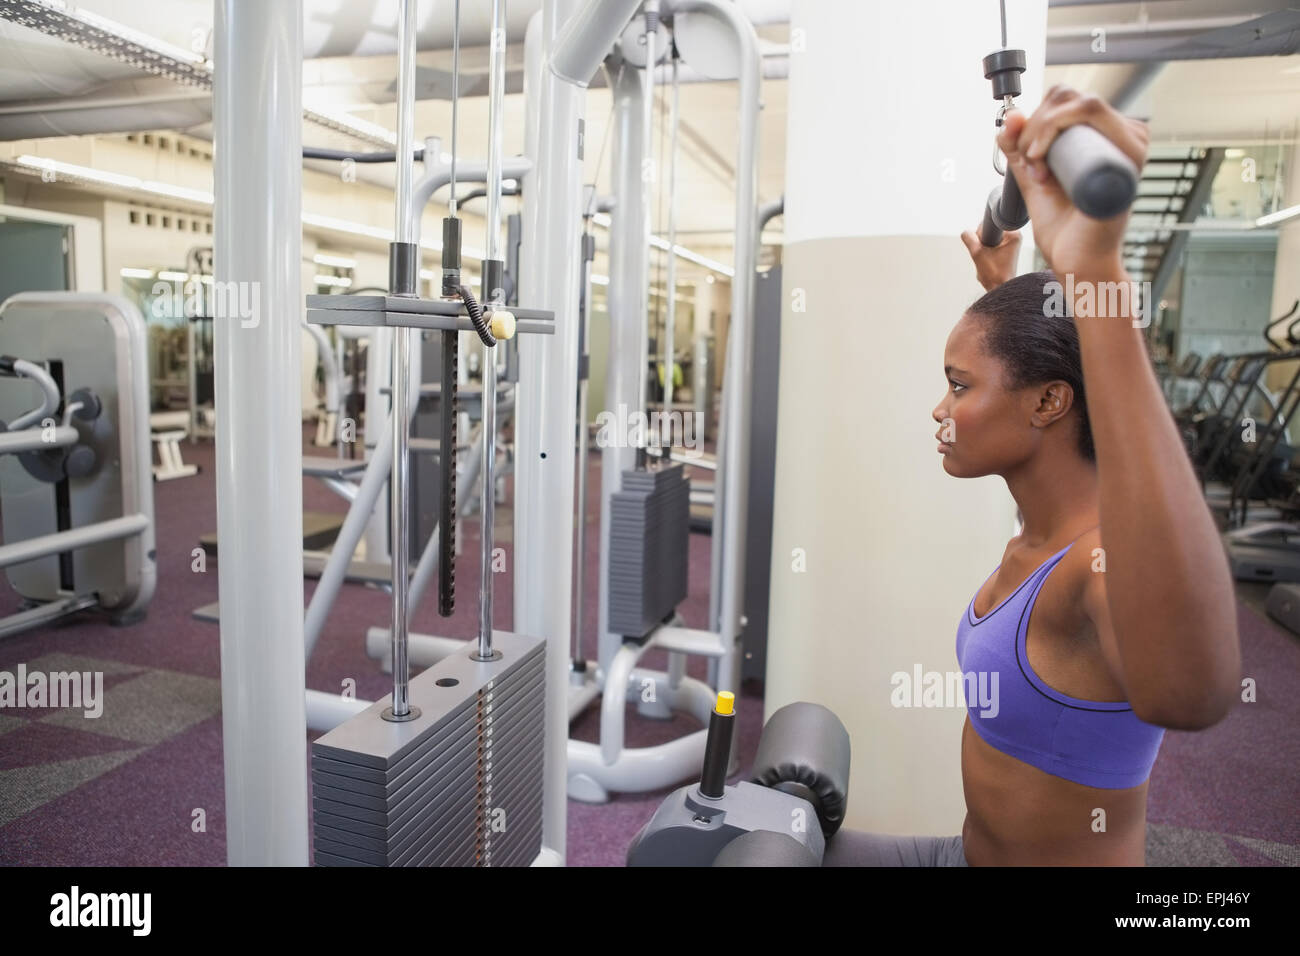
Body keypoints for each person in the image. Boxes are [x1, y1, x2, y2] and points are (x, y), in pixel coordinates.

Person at [827, 86, 1242, 867]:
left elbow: (1197, 693)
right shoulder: (1040, 526)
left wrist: (1095, 274)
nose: (939, 410)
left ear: (1051, 401)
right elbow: (1036, 372)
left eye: (957, 385)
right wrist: (1008, 292)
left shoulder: (1095, 566)